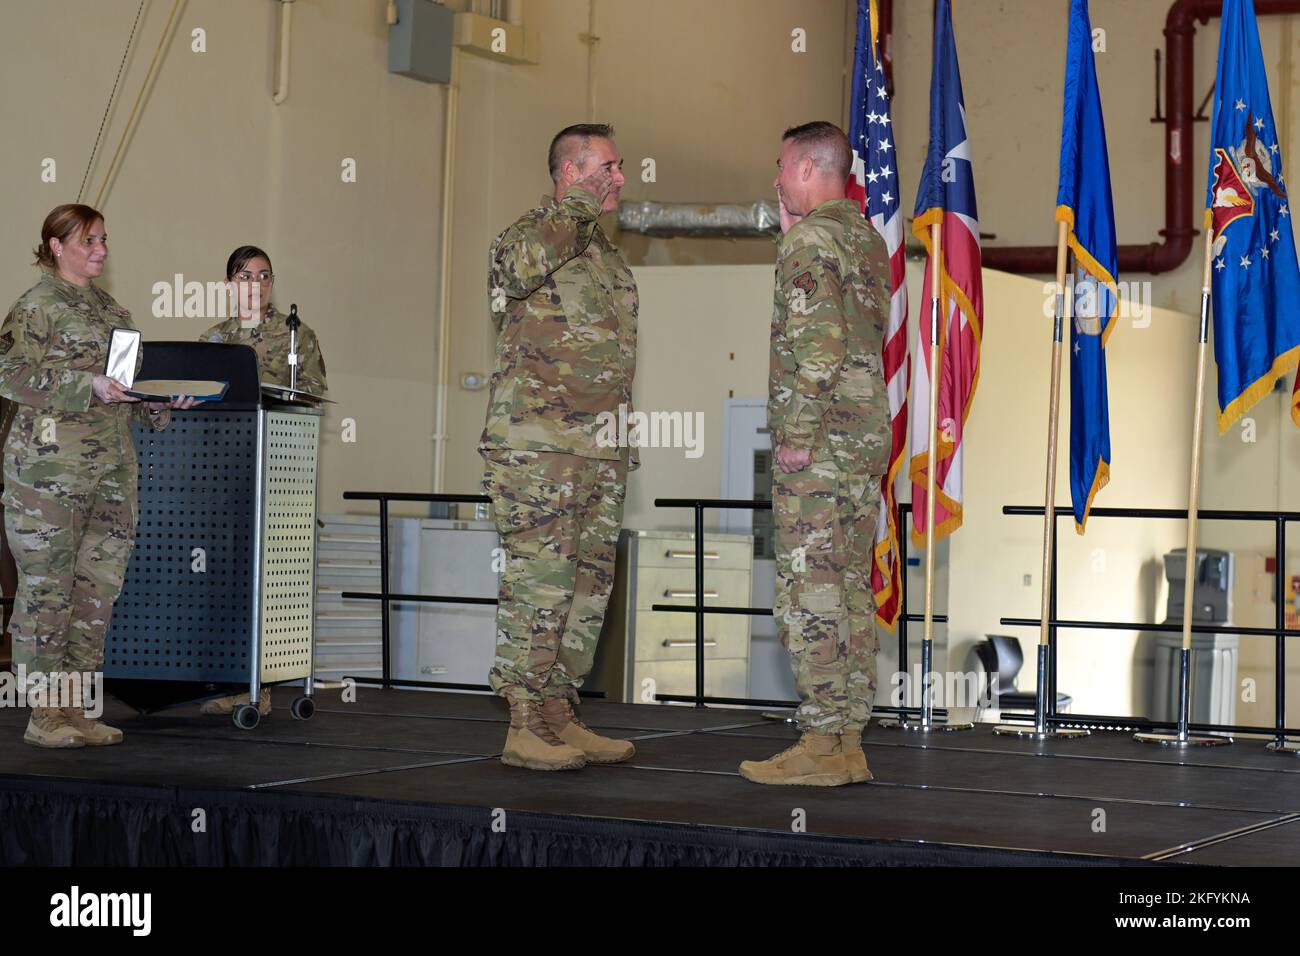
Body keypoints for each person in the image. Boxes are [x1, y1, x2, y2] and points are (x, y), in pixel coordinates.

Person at [0, 204, 199, 748]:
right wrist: (81, 385)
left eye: (104, 240)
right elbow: (8, 374)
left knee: (94, 593)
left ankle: (75, 711)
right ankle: (44, 716)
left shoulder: (114, 310)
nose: (101, 250)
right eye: (88, 240)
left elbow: (122, 388)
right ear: (56, 245)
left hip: (111, 470)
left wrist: (159, 405)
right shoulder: (36, 305)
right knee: (47, 591)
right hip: (48, 474)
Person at [480, 123, 638, 771]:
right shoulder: (528, 237)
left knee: (587, 586)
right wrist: (575, 203)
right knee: (540, 583)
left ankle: (556, 711)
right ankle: (522, 722)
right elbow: (514, 270)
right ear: (572, 172)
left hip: (598, 451)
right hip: (537, 449)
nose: (621, 178)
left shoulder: (604, 257)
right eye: (608, 167)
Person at [739, 122, 891, 786]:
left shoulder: (810, 241)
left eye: (781, 166)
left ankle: (821, 744)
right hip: (861, 440)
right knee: (851, 589)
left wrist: (797, 436)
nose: (775, 177)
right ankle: (849, 739)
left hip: (822, 442)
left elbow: (820, 352)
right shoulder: (864, 237)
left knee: (811, 595)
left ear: (804, 167)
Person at [198, 245, 328, 717]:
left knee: (267, 584)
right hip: (225, 474)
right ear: (230, 283)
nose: (256, 285)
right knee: (226, 579)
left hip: (277, 472)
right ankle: (230, 681)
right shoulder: (214, 340)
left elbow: (311, 397)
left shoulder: (296, 336)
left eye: (265, 276)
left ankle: (261, 685)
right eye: (246, 276)